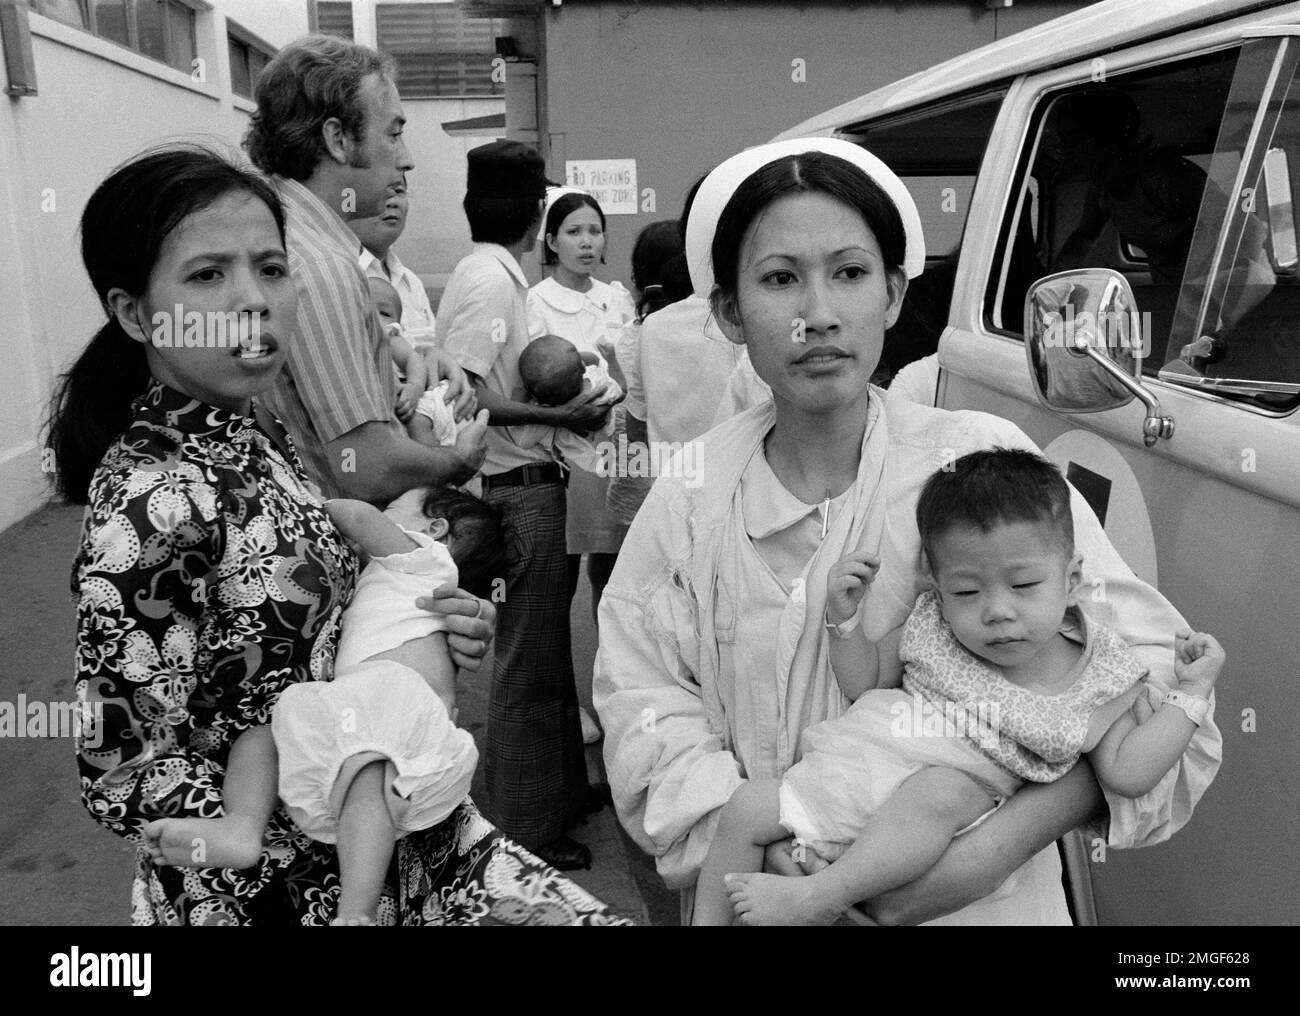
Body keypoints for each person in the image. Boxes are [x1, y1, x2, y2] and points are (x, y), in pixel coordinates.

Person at [593, 136, 1222, 925]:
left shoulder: (977, 463)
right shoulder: (688, 500)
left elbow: (1147, 672)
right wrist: (788, 853)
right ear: (728, 310)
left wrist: (972, 859)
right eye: (780, 279)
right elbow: (644, 706)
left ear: (892, 295)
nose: (818, 315)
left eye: (850, 275)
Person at [50, 144, 630, 925]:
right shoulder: (149, 502)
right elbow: (121, 770)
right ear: (131, 312)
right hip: (280, 896)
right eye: (207, 275)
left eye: (272, 268)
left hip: (389, 831)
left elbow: (322, 615)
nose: (254, 301)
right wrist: (299, 826)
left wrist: (424, 626)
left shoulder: (255, 435)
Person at [692, 449, 1224, 925]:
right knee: (746, 806)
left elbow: (1129, 773)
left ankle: (823, 895)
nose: (997, 611)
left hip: (947, 810)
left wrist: (1190, 694)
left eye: (1024, 585)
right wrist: (844, 621)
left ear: (1073, 580)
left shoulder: (1100, 676)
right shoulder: (933, 623)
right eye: (967, 590)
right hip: (848, 772)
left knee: (936, 793)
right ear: (935, 582)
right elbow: (864, 681)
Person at [141, 487, 508, 926]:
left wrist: (310, 511)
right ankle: (242, 827)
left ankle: (356, 911)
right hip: (356, 706)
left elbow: (359, 515)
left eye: (393, 507)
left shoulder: (425, 558)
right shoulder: (394, 576)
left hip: (393, 705)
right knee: (264, 739)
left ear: (435, 528)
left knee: (368, 777)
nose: (384, 514)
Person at [441, 141, 612, 871]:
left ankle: (559, 797)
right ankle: (520, 830)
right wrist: (566, 420)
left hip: (526, 488)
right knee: (526, 667)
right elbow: (466, 393)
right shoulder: (490, 282)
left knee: (546, 664)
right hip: (518, 493)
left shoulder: (490, 273)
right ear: (538, 213)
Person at [244, 34, 487, 506]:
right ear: (338, 140)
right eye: (393, 133)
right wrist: (460, 460)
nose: (407, 157)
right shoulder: (322, 266)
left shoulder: (287, 237)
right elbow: (367, 468)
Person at [526, 189, 637, 627]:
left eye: (595, 231)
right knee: (559, 578)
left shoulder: (616, 298)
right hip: (564, 455)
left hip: (618, 452)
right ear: (552, 241)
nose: (587, 242)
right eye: (574, 232)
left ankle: (607, 679)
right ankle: (555, 692)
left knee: (612, 574)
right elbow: (531, 380)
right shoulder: (536, 301)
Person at [369, 275, 464, 448]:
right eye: (364, 308)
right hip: (380, 407)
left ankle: (434, 461)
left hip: (410, 397)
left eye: (384, 313)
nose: (374, 317)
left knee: (416, 420)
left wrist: (415, 386)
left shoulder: (389, 335)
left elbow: (412, 359)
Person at [351, 175, 438, 349]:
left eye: (399, 191)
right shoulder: (345, 277)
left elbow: (434, 352)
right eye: (376, 191)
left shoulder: (410, 281)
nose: (392, 202)